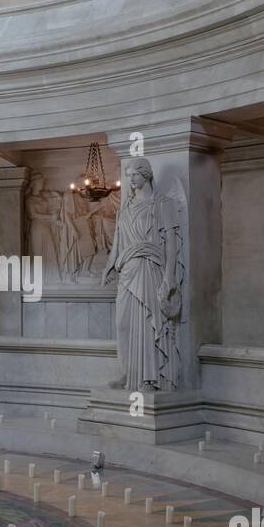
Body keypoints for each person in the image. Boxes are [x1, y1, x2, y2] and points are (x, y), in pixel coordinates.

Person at [102, 158, 183, 391]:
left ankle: (150, 378)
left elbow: (171, 244)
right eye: (128, 175)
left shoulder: (162, 203)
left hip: (150, 267)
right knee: (122, 324)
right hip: (127, 269)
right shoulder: (125, 207)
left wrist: (170, 277)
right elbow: (118, 240)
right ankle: (129, 374)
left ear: (146, 175)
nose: (131, 179)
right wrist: (110, 265)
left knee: (148, 323)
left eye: (134, 174)